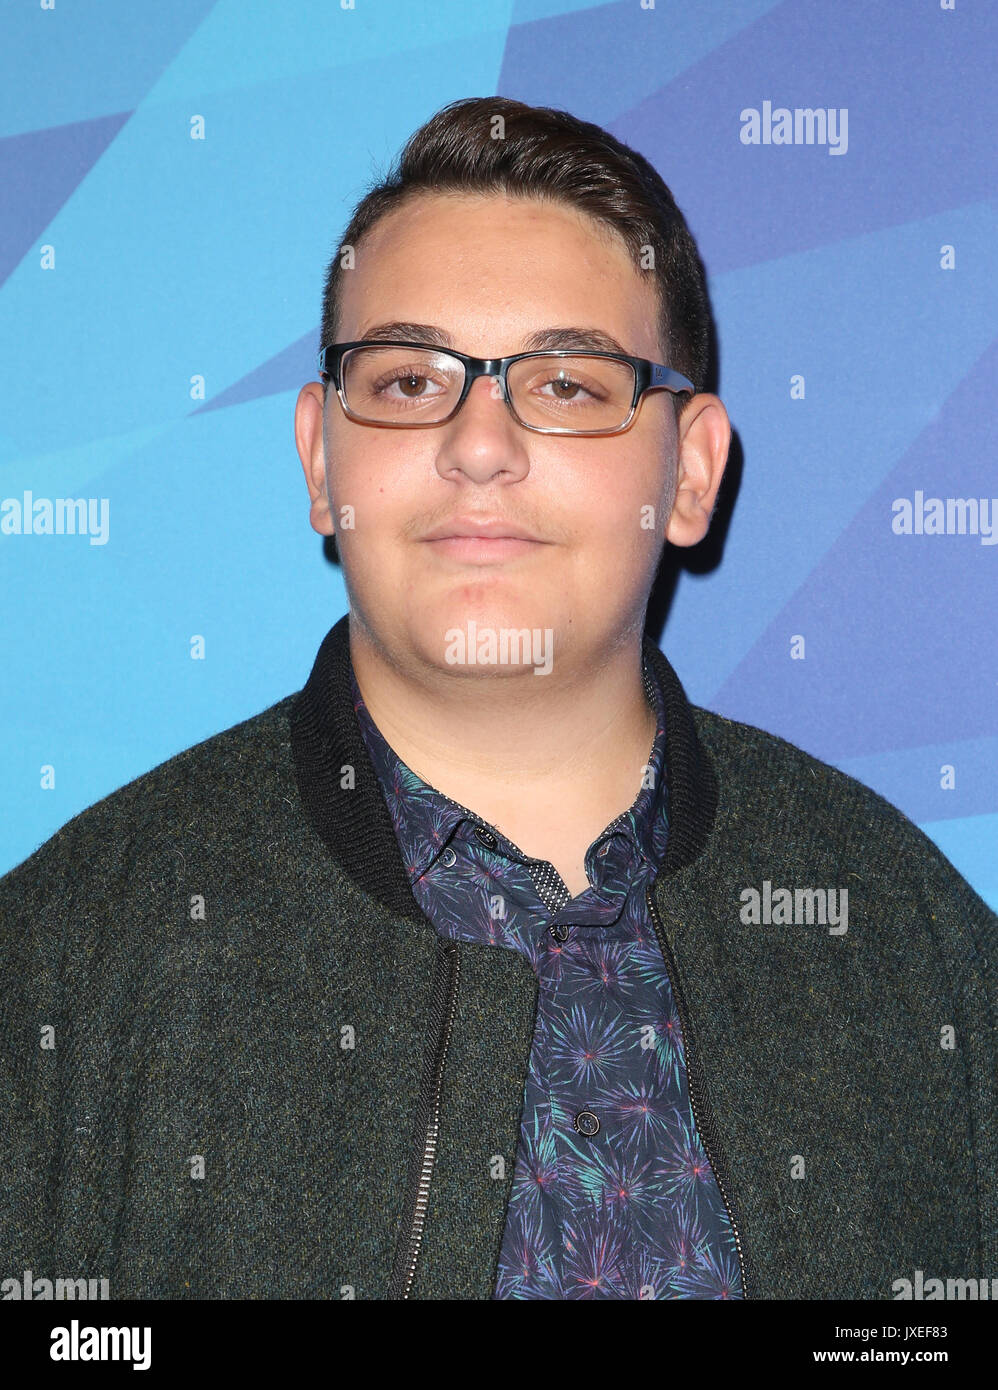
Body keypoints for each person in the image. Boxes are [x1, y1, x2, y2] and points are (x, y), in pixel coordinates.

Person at [1, 96, 994, 1302]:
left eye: (567, 383)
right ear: (322, 459)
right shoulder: (63, 960)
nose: (479, 442)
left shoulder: (908, 943)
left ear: (687, 472)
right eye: (410, 378)